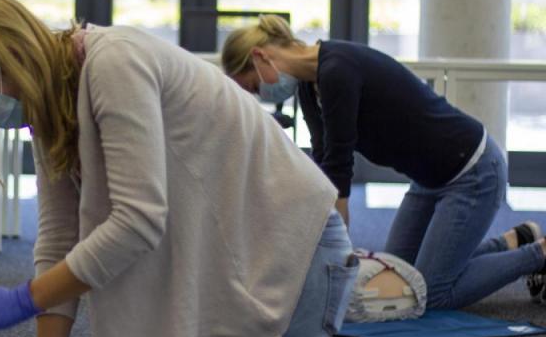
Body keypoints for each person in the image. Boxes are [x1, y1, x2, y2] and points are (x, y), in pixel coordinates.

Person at [0, 0, 369, 337]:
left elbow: (137, 221)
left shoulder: (114, 63)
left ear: (11, 58)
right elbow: (59, 239)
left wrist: (26, 299)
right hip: (220, 269)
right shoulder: (50, 106)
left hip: (291, 260)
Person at [221, 15, 546, 312]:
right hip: (429, 178)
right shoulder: (308, 86)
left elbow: (339, 168)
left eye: (253, 86)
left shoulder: (336, 69)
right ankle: (514, 240)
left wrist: (334, 250)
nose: (261, 94)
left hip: (473, 172)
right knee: (400, 280)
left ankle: (539, 254)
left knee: (431, 294)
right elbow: (322, 161)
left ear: (260, 56)